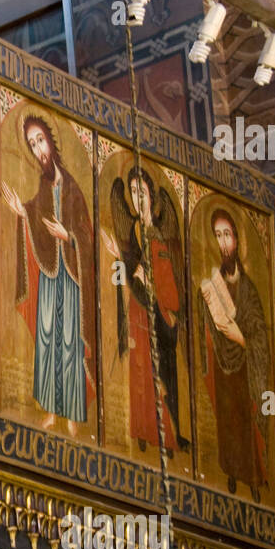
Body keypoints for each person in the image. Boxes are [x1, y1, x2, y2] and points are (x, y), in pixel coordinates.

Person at [1, 116, 93, 433]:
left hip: (71, 278)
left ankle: (72, 411)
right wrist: (23, 212)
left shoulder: (73, 190)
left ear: (51, 142)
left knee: (69, 339)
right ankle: (53, 409)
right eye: (32, 144)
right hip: (50, 277)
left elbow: (86, 236)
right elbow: (37, 220)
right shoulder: (43, 189)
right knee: (48, 338)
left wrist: (69, 236)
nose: (38, 148)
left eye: (40, 140)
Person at [102, 167, 188, 455]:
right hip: (140, 309)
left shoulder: (161, 232)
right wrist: (118, 255)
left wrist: (154, 284)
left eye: (143, 193)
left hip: (164, 316)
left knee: (163, 375)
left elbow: (170, 276)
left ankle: (170, 434)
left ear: (152, 196)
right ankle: (143, 431)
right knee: (141, 374)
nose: (138, 199)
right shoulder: (135, 231)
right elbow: (130, 270)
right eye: (134, 193)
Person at [199, 208, 271, 501]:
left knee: (246, 424)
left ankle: (254, 480)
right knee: (227, 424)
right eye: (218, 235)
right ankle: (229, 472)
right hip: (223, 367)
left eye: (227, 234)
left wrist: (242, 338)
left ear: (237, 240)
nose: (223, 242)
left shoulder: (248, 289)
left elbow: (260, 337)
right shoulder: (214, 282)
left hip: (244, 368)